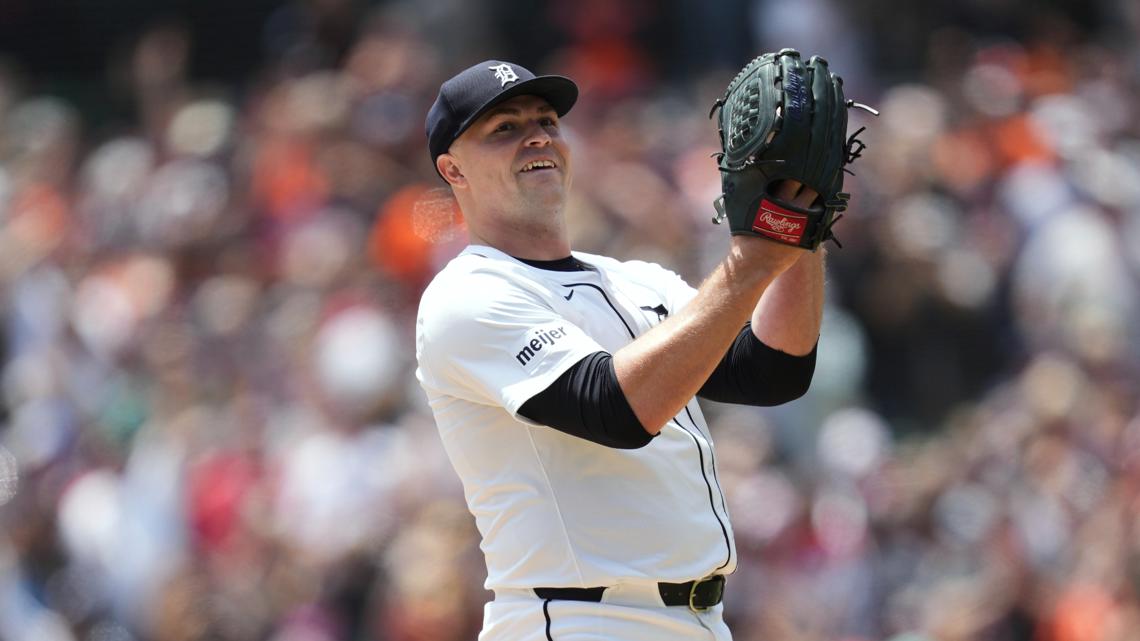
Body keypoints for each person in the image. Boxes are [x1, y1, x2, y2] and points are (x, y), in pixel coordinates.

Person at [415, 59, 825, 641]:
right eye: (503, 128)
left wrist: (802, 228)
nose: (537, 135)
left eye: (547, 121)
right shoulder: (466, 295)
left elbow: (770, 371)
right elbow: (616, 410)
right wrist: (753, 259)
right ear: (453, 169)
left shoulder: (638, 280)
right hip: (579, 618)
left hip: (697, 622)